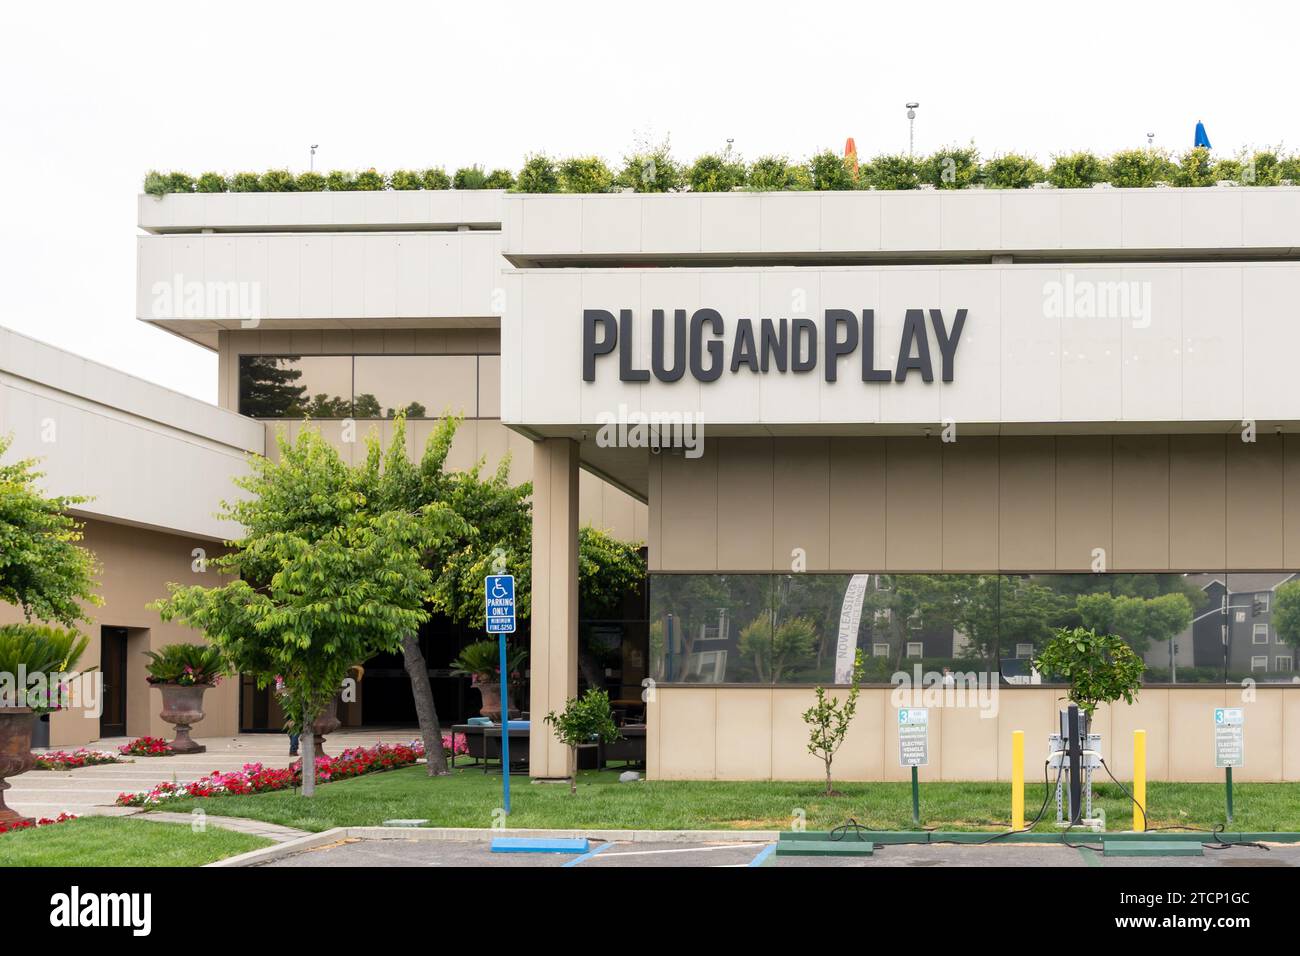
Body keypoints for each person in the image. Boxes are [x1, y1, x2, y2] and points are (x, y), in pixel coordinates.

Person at [275, 675, 299, 756]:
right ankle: (293, 748)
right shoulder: (281, 677)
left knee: (293, 725)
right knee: (292, 725)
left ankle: (293, 747)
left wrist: (285, 690)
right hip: (288, 702)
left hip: (293, 702)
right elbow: (278, 691)